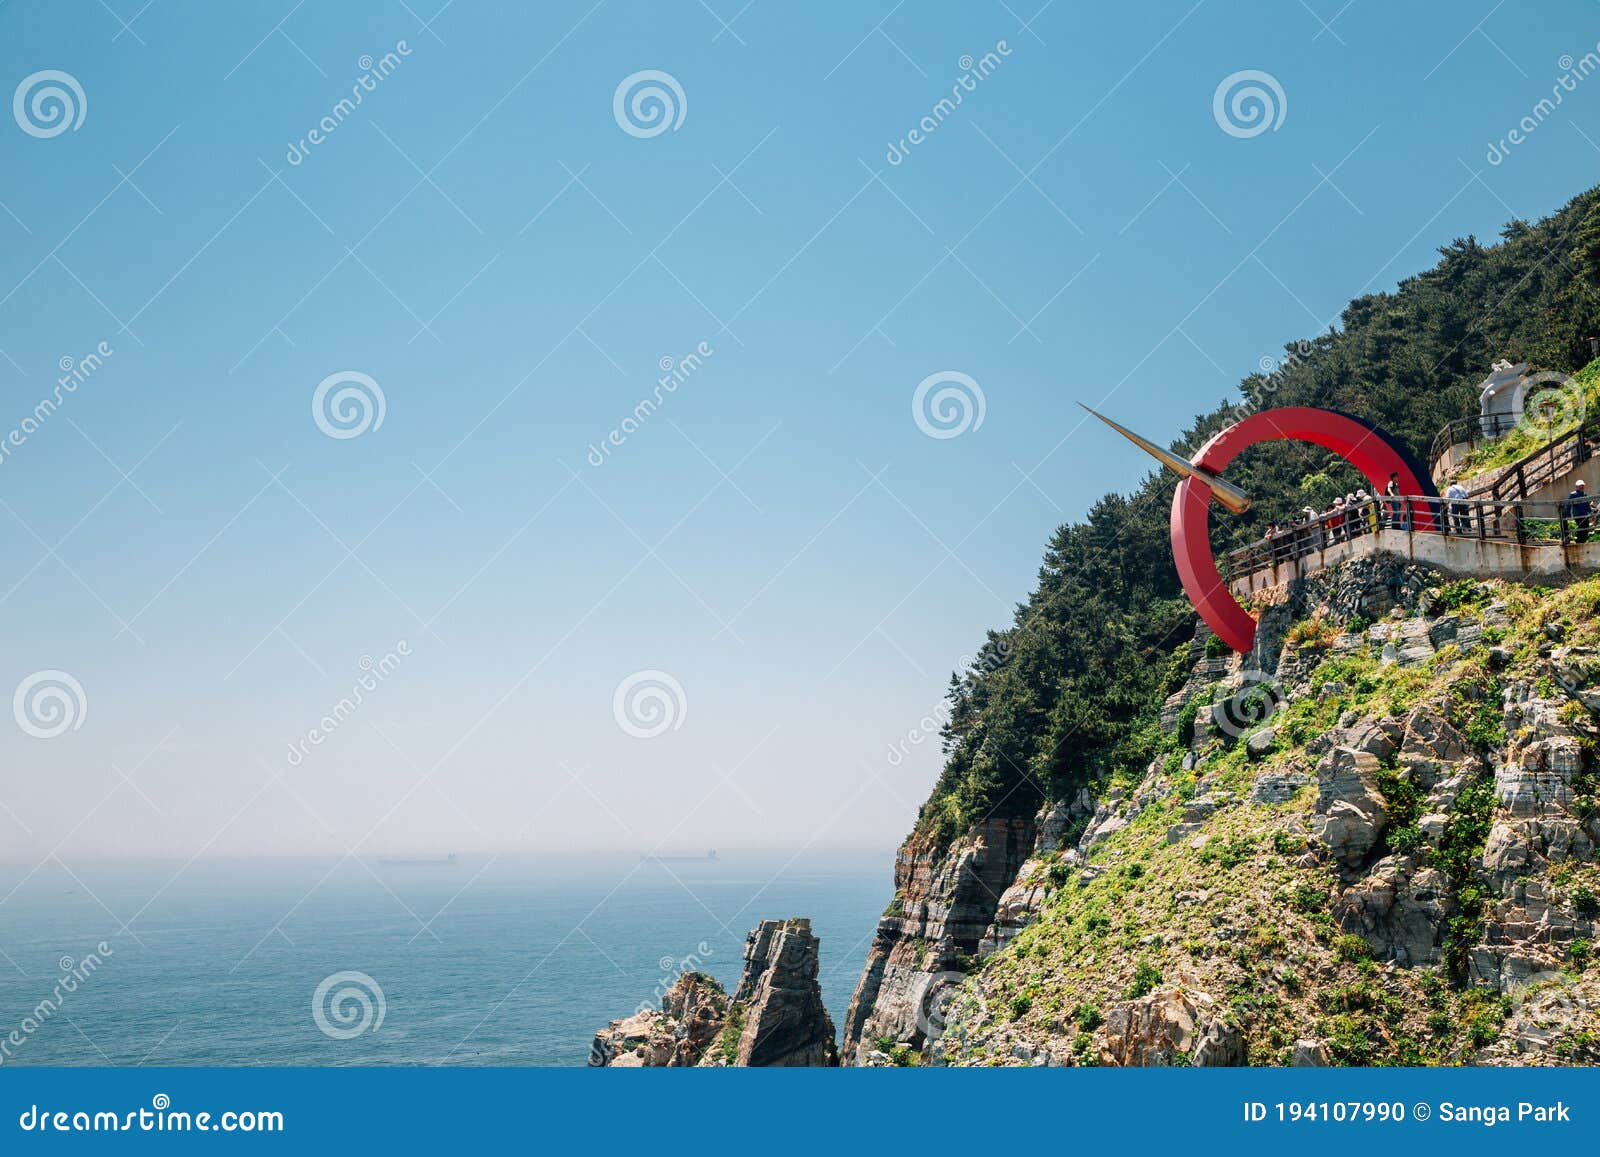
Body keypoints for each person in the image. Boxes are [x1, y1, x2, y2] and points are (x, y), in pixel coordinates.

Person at [1566, 478, 1593, 543]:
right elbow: (1568, 504)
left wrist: (1590, 512)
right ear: (1577, 487)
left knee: (1586, 529)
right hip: (1578, 515)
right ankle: (1579, 542)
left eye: (1582, 485)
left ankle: (1583, 542)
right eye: (1580, 486)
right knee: (1581, 529)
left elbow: (1587, 505)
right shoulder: (1573, 494)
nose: (1582, 487)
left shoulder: (1584, 494)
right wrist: (1568, 515)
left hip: (1585, 515)